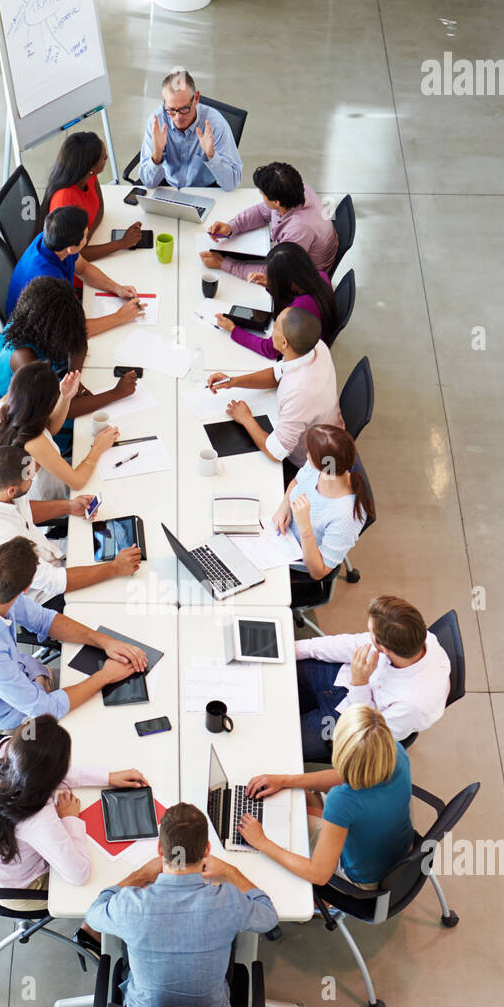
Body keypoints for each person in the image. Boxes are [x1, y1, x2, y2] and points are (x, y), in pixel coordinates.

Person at [0, 537, 148, 735]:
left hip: (21, 677)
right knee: (103, 721)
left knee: (101, 693)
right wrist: (105, 675)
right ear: (27, 588)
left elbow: (44, 620)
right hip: (8, 719)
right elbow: (46, 709)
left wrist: (105, 641)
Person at [84, 803, 278, 1007]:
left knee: (126, 940)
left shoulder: (132, 906)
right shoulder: (228, 901)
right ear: (207, 850)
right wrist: (231, 872)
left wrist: (140, 875)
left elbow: (94, 914)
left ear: (160, 849)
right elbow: (268, 916)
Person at [0, 714, 146, 912]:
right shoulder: (36, 817)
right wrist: (70, 818)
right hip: (23, 888)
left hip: (2, 859)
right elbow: (79, 874)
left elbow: (41, 768)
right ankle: (91, 932)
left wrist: (108, 777)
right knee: (107, 883)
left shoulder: (6, 750)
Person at [239, 706, 414, 900]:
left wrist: (262, 842)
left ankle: (319, 903)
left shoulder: (343, 800)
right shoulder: (395, 753)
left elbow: (318, 875)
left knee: (285, 825)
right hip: (400, 855)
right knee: (300, 795)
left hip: (361, 881)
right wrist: (285, 780)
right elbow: (349, 775)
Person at [0, 445, 142, 607]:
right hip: (47, 595)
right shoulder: (0, 541)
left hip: (49, 552)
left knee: (119, 535)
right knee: (129, 592)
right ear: (11, 490)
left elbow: (22, 508)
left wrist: (69, 506)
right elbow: (55, 581)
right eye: (29, 478)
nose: (34, 477)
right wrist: (115, 568)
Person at [294, 594, 452, 762]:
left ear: (385, 649)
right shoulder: (420, 637)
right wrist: (296, 649)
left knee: (284, 740)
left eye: (370, 633)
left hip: (355, 721)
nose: (366, 635)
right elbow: (352, 644)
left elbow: (368, 731)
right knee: (278, 676)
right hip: (346, 678)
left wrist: (359, 683)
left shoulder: (412, 705)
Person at [0, 276, 139, 437]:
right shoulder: (24, 358)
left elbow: (79, 342)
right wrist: (116, 393)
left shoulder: (30, 319)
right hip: (21, 417)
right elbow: (59, 408)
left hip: (40, 391)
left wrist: (73, 379)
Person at [207, 308, 341, 467]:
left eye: (275, 327)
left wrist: (246, 419)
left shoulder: (301, 392)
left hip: (312, 461)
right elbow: (276, 374)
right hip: (327, 427)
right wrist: (233, 381)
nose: (271, 330)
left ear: (284, 343)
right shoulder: (317, 346)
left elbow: (275, 452)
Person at [0, 364, 118, 504]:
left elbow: (49, 430)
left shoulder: (6, 403)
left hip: (53, 472)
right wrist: (98, 448)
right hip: (50, 493)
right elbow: (77, 482)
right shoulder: (34, 443)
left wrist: (65, 397)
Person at [204, 161, 337, 281]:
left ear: (276, 202)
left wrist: (224, 264)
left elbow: (275, 273)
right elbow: (262, 212)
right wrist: (231, 227)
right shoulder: (296, 191)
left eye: (262, 194)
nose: (261, 196)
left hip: (304, 279)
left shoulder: (299, 230)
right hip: (290, 259)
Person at [6, 205, 144, 318]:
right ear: (72, 248)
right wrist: (120, 317)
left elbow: (83, 268)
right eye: (85, 235)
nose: (88, 233)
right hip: (35, 333)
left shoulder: (53, 240)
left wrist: (117, 288)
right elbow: (74, 330)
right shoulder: (49, 282)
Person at [274, 426, 371, 581]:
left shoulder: (346, 516)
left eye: (309, 454)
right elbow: (297, 481)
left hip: (296, 560)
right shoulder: (322, 468)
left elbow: (319, 572)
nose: (307, 456)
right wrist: (285, 505)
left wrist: (305, 526)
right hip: (279, 534)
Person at [215, 241, 337, 358]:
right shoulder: (320, 276)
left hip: (301, 355)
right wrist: (270, 285)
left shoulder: (300, 308)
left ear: (286, 281)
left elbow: (270, 349)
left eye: (275, 278)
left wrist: (233, 329)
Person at [37, 130, 143, 260]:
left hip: (91, 242)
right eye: (103, 158)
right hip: (71, 266)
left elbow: (100, 207)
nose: (107, 158)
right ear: (90, 167)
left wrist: (85, 239)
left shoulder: (88, 175)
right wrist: (121, 243)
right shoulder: (64, 199)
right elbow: (74, 254)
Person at [137, 68, 242, 192]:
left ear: (196, 98)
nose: (178, 117)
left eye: (184, 109)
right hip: (168, 187)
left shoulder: (215, 124)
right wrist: (157, 154)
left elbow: (231, 184)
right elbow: (148, 182)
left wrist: (212, 156)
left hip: (204, 191)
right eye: (171, 110)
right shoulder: (156, 122)